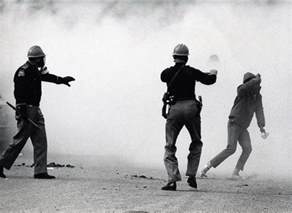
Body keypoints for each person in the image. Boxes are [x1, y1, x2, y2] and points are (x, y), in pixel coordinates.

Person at [0, 45, 75, 179]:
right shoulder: (23, 71)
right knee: (19, 140)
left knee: (41, 140)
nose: (43, 60)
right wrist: (21, 108)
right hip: (27, 109)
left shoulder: (34, 70)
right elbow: (19, 92)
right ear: (37, 59)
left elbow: (47, 77)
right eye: (41, 58)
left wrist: (61, 80)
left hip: (36, 109)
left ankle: (40, 171)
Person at [160, 44, 217, 191]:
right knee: (196, 141)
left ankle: (172, 180)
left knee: (170, 145)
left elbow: (162, 77)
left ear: (174, 57)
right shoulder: (191, 71)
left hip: (175, 109)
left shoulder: (167, 73)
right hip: (191, 108)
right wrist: (214, 70)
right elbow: (209, 80)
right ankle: (191, 174)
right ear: (186, 57)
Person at [200, 72, 269, 179]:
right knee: (231, 148)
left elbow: (259, 111)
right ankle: (206, 168)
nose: (256, 85)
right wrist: (256, 79)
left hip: (243, 127)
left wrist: (261, 127)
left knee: (247, 148)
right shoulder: (242, 91)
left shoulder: (257, 97)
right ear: (250, 83)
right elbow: (244, 88)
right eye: (253, 83)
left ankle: (235, 173)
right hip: (234, 123)